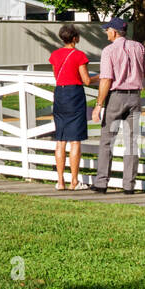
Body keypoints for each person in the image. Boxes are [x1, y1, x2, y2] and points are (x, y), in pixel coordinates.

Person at [89, 17, 145, 194]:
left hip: (116, 97)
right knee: (131, 143)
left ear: (114, 32)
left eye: (108, 30)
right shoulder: (138, 47)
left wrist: (98, 104)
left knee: (107, 141)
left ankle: (101, 183)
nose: (106, 33)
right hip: (135, 97)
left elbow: (106, 79)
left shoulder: (108, 51)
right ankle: (129, 185)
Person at [48, 24, 93, 190]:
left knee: (60, 140)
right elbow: (86, 80)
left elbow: (57, 76)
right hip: (74, 95)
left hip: (59, 93)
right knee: (75, 140)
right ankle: (74, 181)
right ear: (75, 38)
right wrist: (101, 77)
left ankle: (60, 181)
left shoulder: (55, 55)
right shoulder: (79, 55)